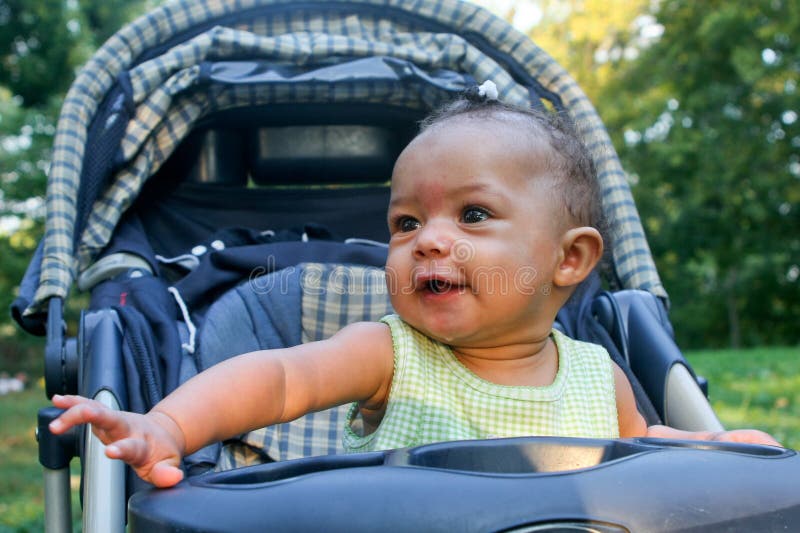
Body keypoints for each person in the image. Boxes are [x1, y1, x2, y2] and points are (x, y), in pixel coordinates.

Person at [49, 82, 779, 488]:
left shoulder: (598, 372)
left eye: (472, 213)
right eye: (404, 222)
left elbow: (645, 449)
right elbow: (273, 380)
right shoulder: (389, 355)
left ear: (570, 260)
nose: (426, 238)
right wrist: (170, 426)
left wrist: (713, 449)